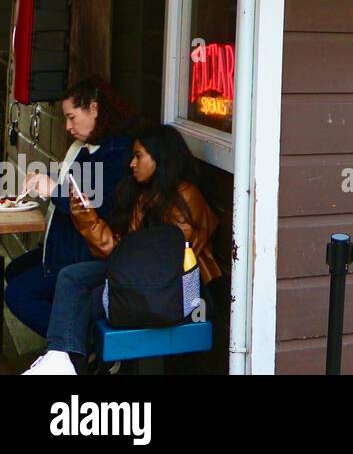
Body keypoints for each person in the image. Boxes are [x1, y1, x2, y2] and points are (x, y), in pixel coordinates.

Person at [24, 124, 221, 375]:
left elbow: (166, 264)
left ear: (159, 157)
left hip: (177, 291)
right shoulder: (147, 196)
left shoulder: (186, 198)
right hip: (144, 276)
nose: (131, 164)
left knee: (83, 303)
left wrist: (118, 272)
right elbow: (123, 252)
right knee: (71, 276)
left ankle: (68, 364)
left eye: (138, 156)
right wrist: (85, 215)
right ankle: (60, 360)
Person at [4, 78, 135, 338]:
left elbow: (94, 202)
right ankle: (67, 330)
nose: (67, 126)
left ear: (94, 109)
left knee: (18, 296)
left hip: (88, 256)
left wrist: (53, 189)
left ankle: (75, 343)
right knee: (14, 271)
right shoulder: (91, 146)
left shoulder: (116, 152)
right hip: (65, 247)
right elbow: (78, 179)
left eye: (72, 117)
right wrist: (43, 177)